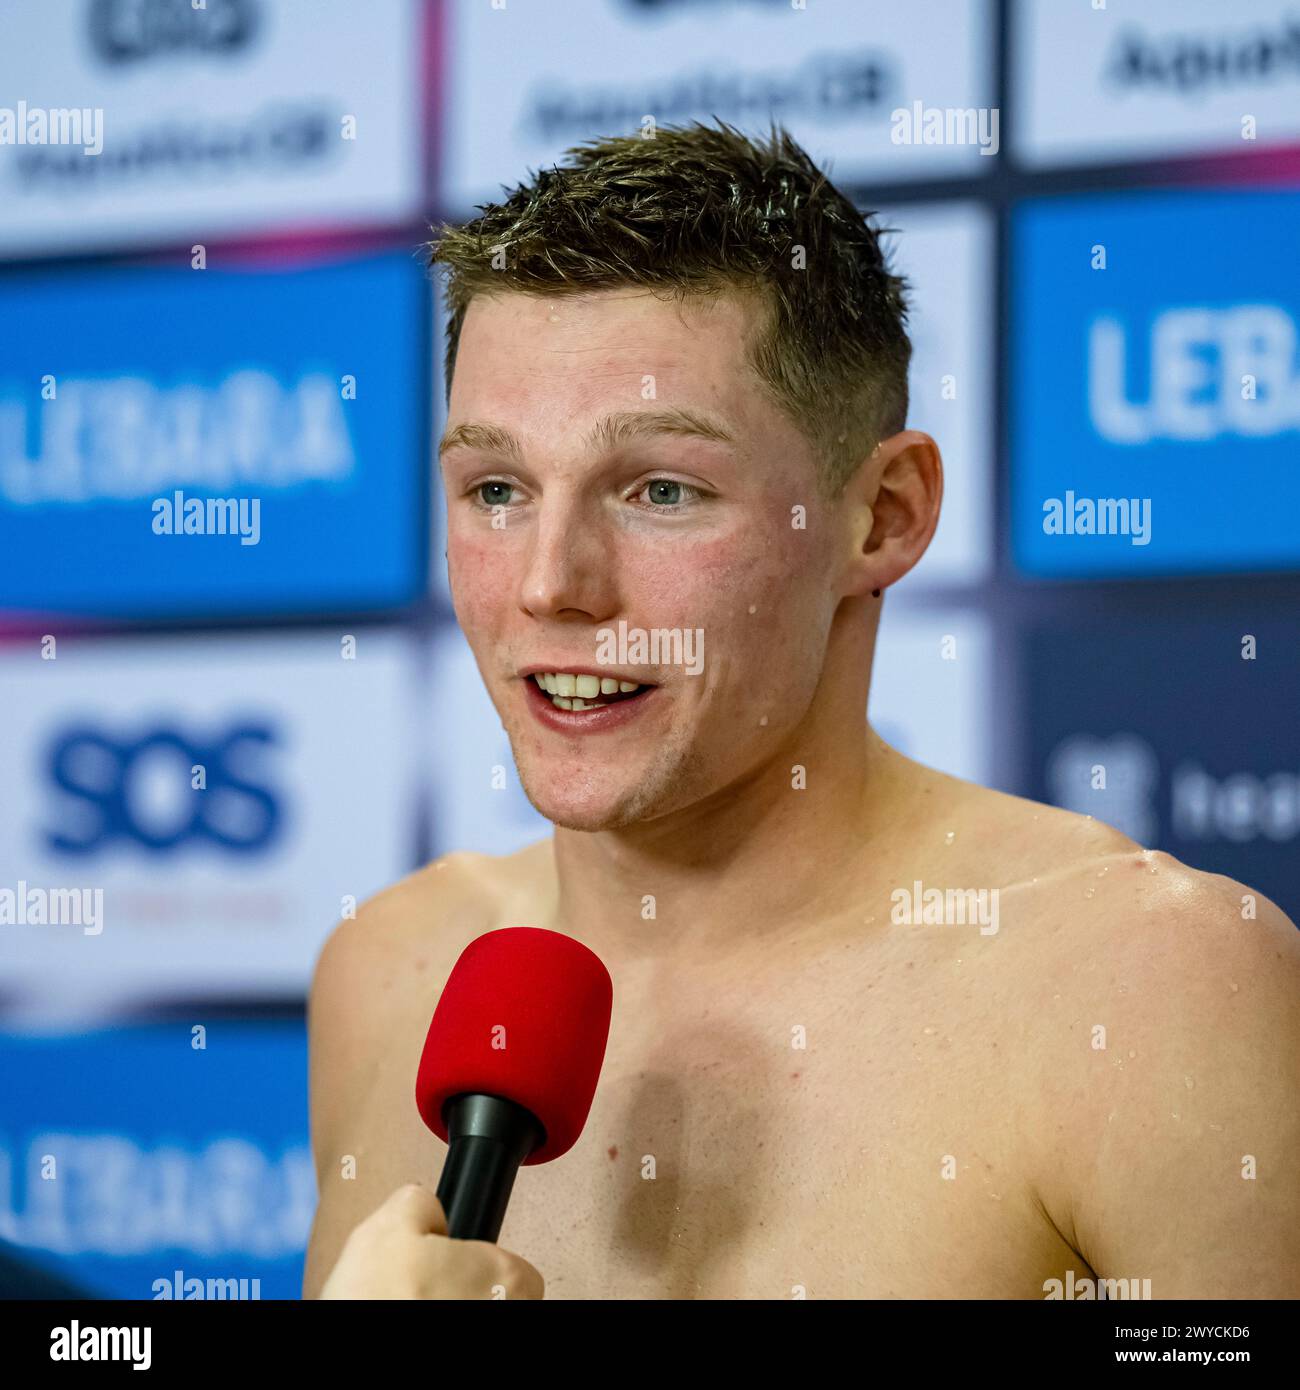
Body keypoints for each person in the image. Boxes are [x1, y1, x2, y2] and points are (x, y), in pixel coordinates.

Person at [303, 121, 1300, 1300]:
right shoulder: (390, 966)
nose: (548, 583)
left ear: (881, 515)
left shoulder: (1151, 984)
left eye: (660, 488)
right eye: (498, 488)